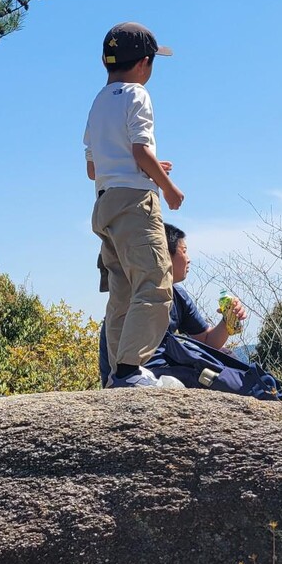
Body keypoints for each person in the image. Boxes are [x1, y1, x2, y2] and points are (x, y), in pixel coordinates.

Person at [84, 22, 184, 388]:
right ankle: (128, 370)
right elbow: (141, 150)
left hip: (104, 204)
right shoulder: (137, 95)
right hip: (134, 202)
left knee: (122, 292)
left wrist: (146, 167)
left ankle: (117, 373)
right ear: (144, 63)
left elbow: (93, 168)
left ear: (105, 61)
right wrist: (168, 187)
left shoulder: (98, 102)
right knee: (156, 283)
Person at [98, 223, 250, 388]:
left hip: (166, 369)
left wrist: (227, 320)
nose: (188, 259)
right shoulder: (131, 295)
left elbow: (208, 341)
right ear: (164, 256)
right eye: (184, 251)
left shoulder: (177, 295)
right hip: (138, 375)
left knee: (226, 356)